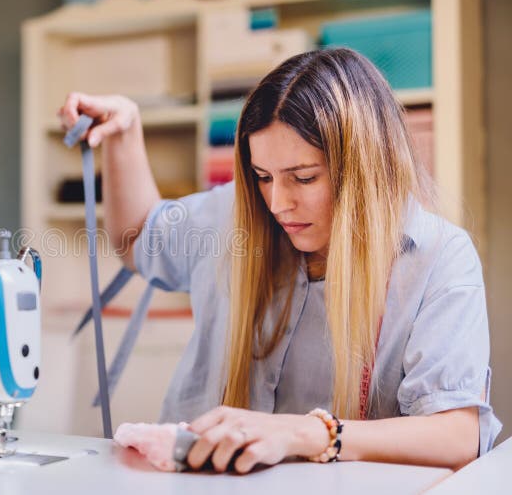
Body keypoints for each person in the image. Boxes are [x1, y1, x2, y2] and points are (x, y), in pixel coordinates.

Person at [57, 48, 501, 474]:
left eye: (303, 178)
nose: (277, 203)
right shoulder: (233, 215)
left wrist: (309, 433)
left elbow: (459, 436)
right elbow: (139, 240)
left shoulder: (437, 259)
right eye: (263, 176)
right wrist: (125, 134)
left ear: (365, 168)